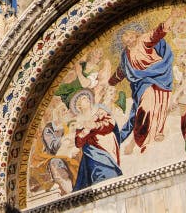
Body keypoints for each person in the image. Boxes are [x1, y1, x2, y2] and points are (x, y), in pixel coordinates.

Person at [108, 22, 173, 152]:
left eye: (131, 37)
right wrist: (110, 82)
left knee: (158, 104)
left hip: (158, 76)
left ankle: (156, 131)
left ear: (136, 35)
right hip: (142, 84)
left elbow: (156, 34)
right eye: (126, 40)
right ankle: (144, 135)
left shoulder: (143, 40)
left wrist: (171, 18)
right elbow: (121, 71)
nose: (129, 40)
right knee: (145, 106)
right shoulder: (125, 56)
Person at [70, 89, 122, 190]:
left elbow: (110, 123)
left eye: (87, 98)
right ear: (79, 106)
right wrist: (85, 132)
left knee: (108, 165)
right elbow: (78, 143)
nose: (87, 100)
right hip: (92, 150)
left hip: (106, 144)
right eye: (83, 99)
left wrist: (95, 125)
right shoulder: (80, 123)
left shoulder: (99, 112)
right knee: (97, 169)